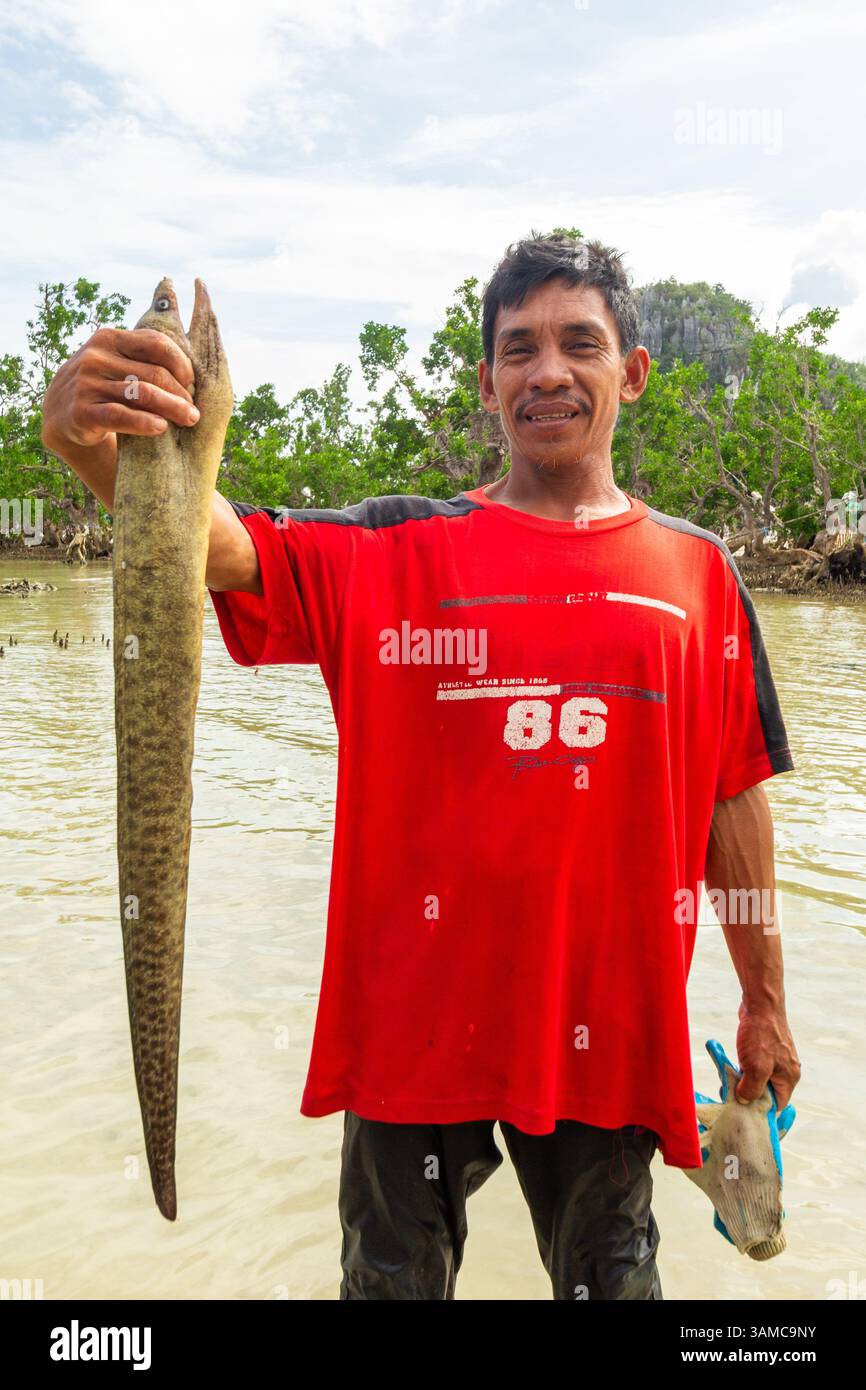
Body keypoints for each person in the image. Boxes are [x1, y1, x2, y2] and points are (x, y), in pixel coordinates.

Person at [42, 233, 801, 1300]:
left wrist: (762, 998)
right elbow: (201, 540)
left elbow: (731, 787)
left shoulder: (699, 573)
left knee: (613, 1282)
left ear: (630, 371)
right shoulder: (393, 547)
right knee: (390, 1286)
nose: (546, 370)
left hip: (605, 1028)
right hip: (411, 1033)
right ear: (487, 380)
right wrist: (84, 438)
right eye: (517, 348)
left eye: (577, 343)